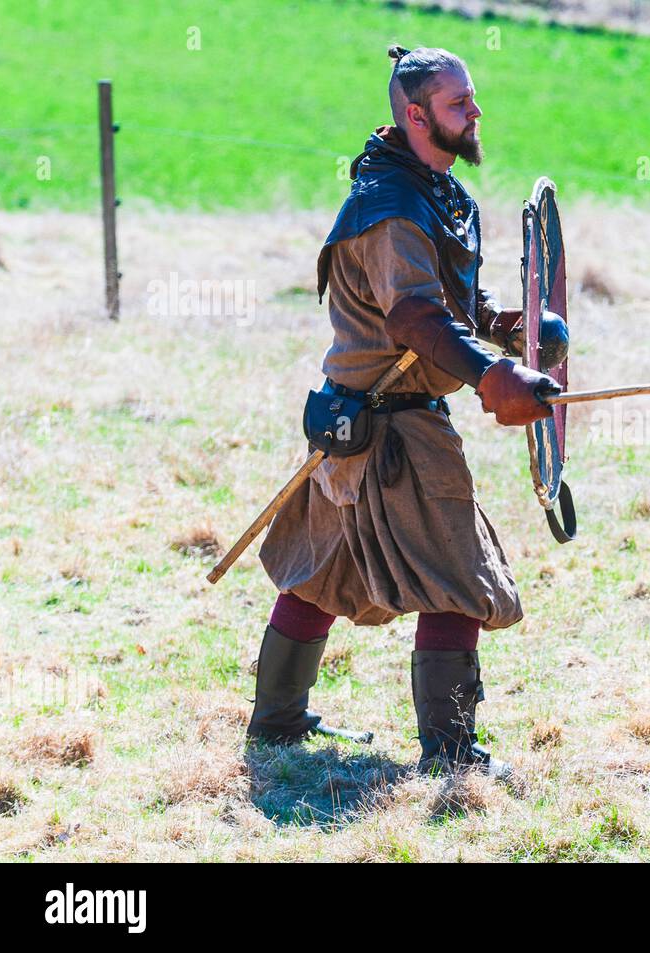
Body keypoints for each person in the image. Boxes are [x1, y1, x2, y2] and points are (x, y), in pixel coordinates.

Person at [247, 46, 558, 782]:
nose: (476, 113)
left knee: (320, 574)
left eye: (473, 98)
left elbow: (452, 303)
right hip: (388, 423)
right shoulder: (390, 208)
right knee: (457, 573)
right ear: (415, 116)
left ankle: (278, 721)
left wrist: (507, 329)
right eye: (458, 104)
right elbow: (415, 315)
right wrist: (490, 376)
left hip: (358, 420)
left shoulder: (437, 192)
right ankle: (451, 756)